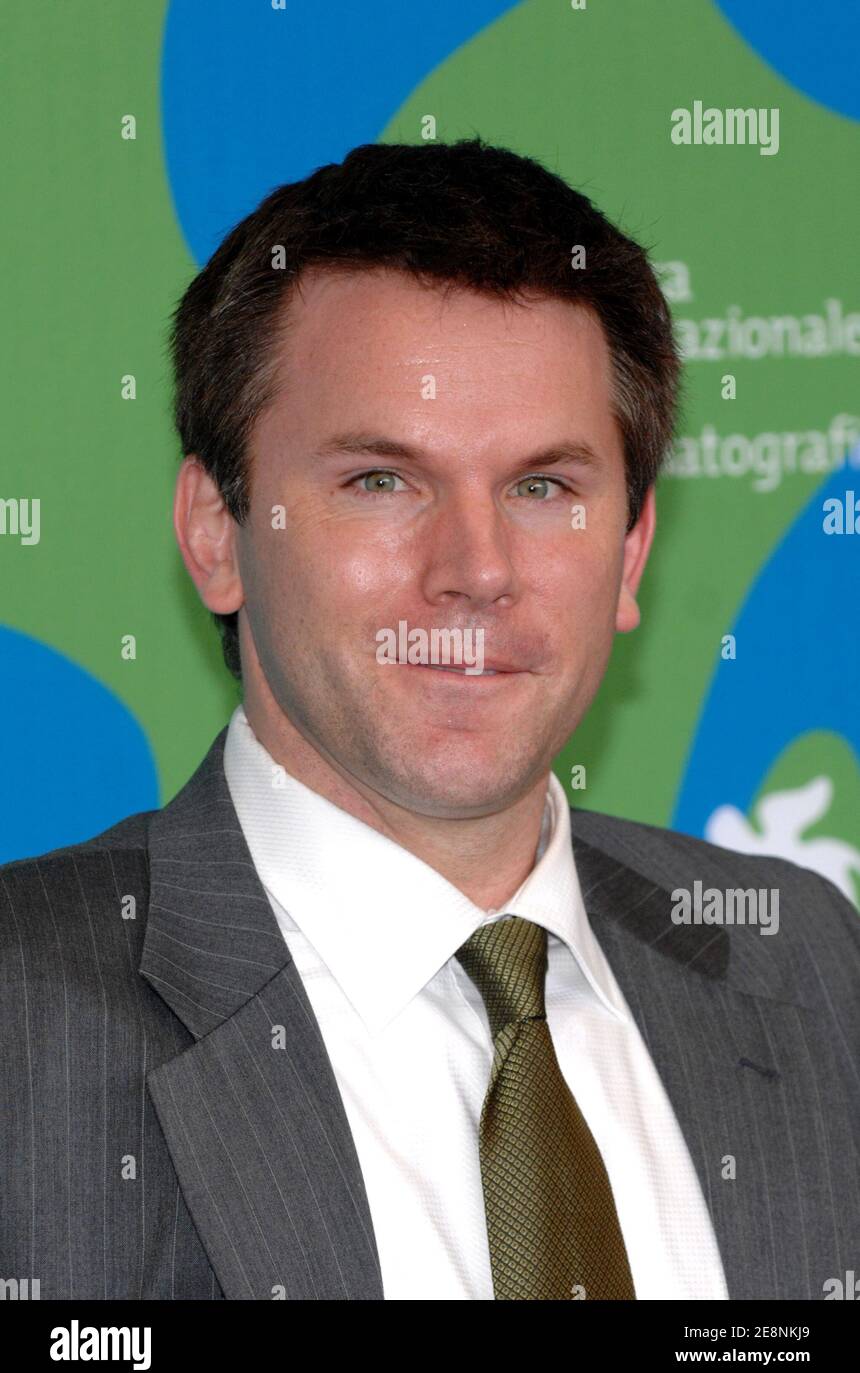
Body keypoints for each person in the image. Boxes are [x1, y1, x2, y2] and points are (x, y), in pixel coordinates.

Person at [1, 138, 857, 1301]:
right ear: (216, 533)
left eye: (542, 487)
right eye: (381, 481)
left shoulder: (805, 962)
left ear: (630, 551)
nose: (476, 570)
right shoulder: (23, 1023)